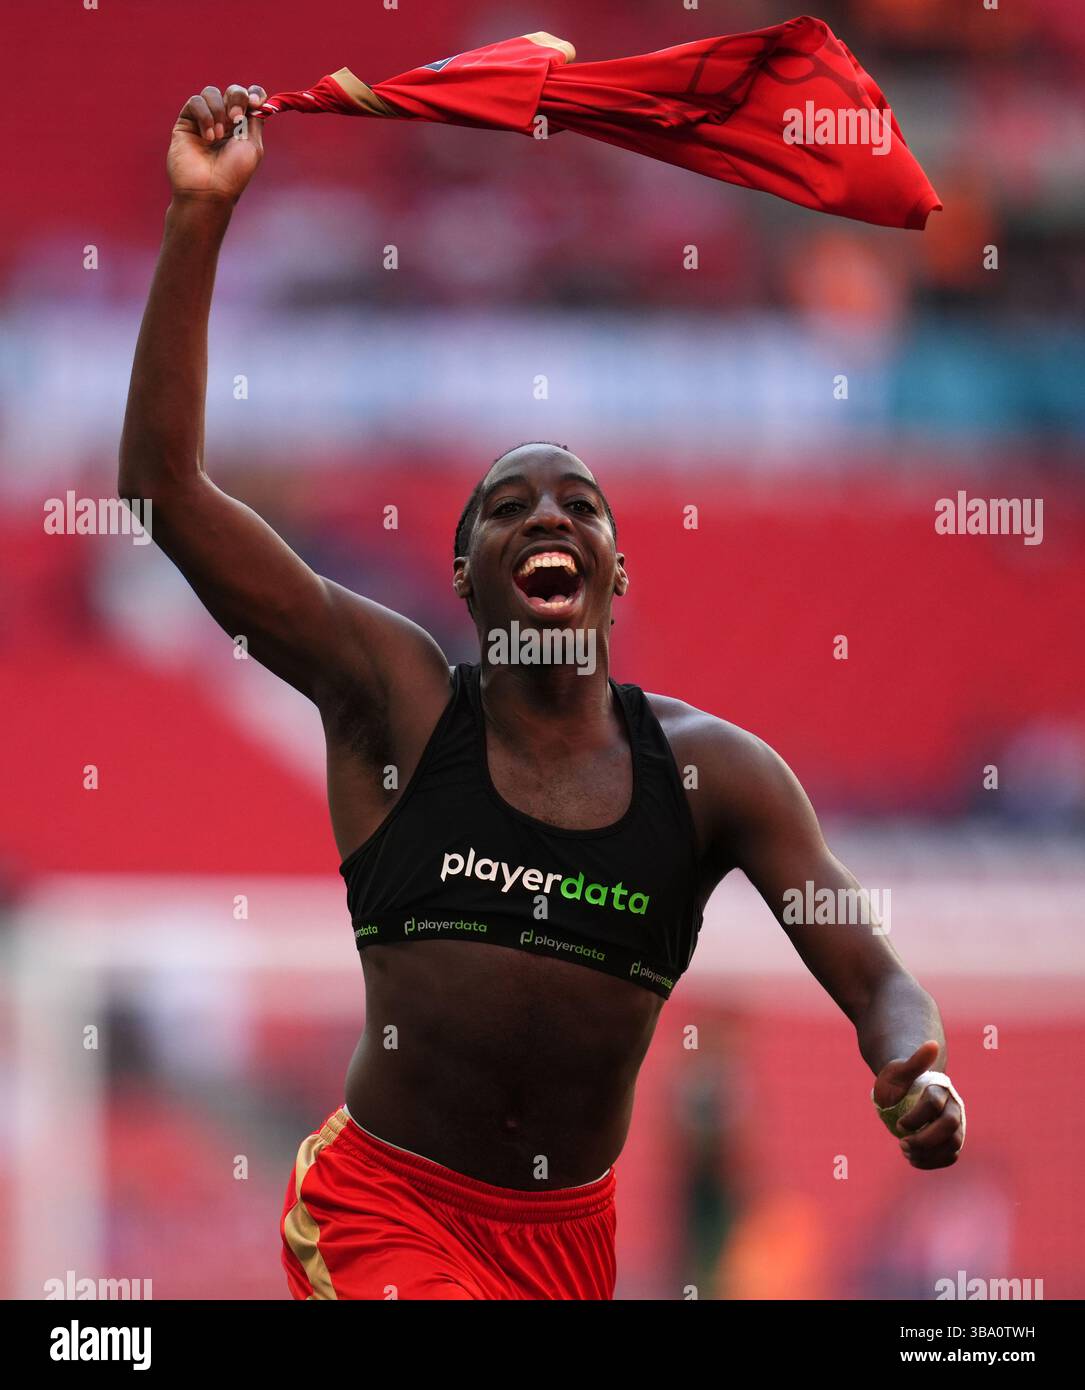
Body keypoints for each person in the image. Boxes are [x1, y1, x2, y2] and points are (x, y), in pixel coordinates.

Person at [119, 83, 966, 1301]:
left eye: (578, 504)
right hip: (381, 1209)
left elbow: (878, 980)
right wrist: (199, 216)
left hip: (571, 1247)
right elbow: (161, 487)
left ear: (618, 569)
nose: (548, 515)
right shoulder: (393, 700)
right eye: (507, 507)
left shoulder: (714, 774)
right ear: (464, 573)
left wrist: (911, 1064)